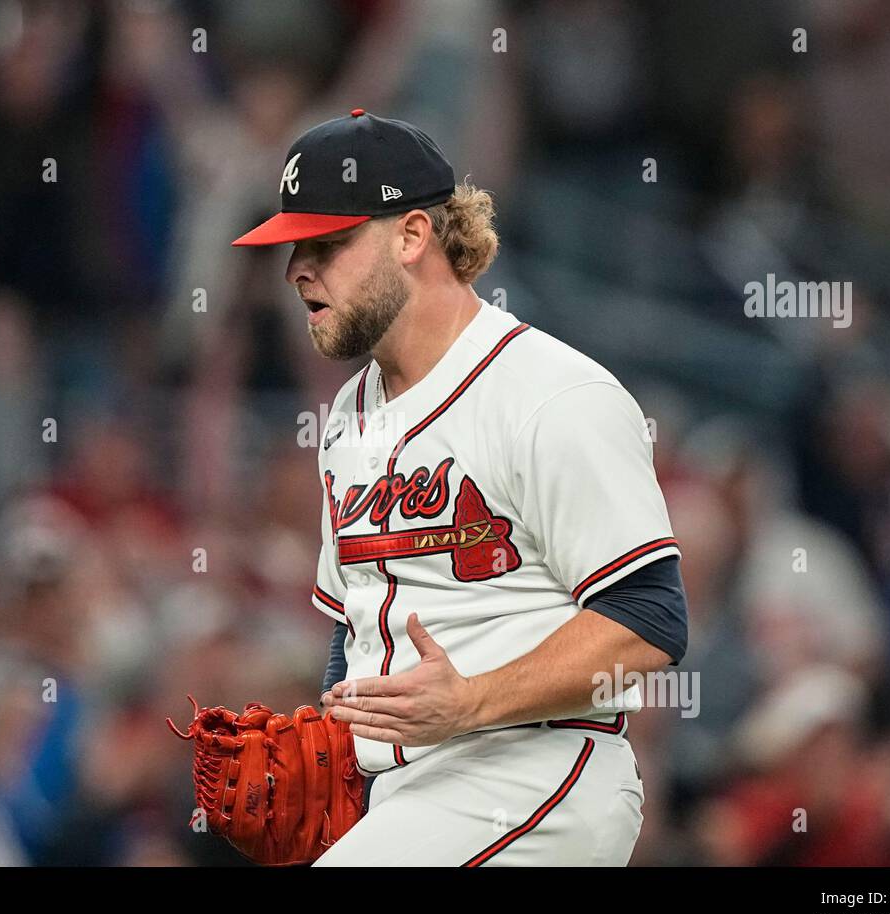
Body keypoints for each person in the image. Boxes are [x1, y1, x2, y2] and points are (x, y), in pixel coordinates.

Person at [231, 110, 689, 865]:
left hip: (534, 775)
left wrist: (471, 699)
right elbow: (352, 633)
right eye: (290, 249)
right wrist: (337, 751)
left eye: (327, 243)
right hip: (412, 798)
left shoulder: (552, 394)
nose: (297, 271)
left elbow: (648, 622)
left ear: (412, 236)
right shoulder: (347, 417)